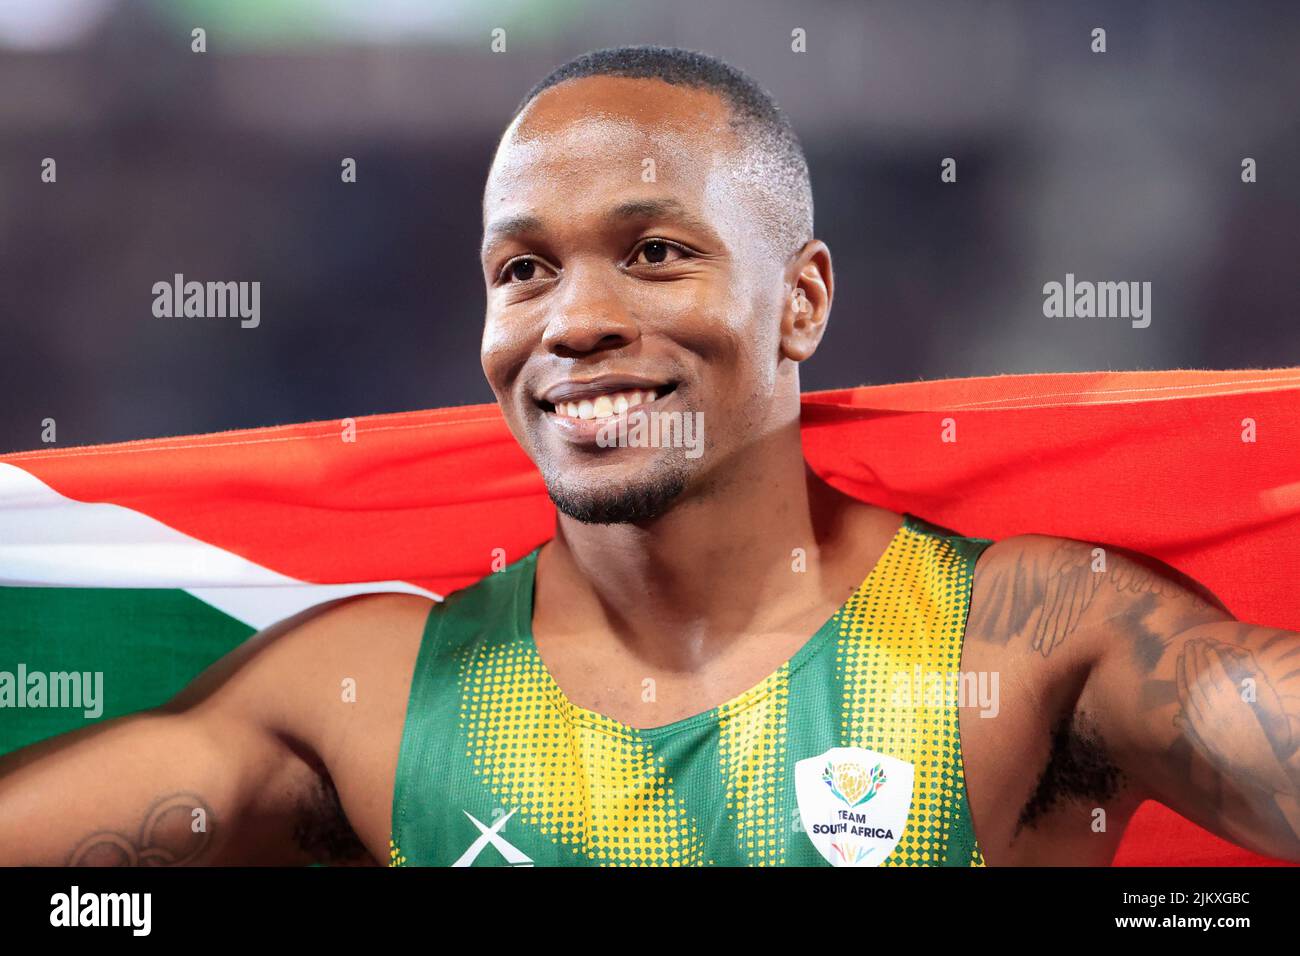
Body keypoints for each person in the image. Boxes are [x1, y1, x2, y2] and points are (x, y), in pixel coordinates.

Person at [2, 45, 1296, 867]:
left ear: (801, 301)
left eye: (656, 251)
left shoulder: (1023, 640)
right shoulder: (371, 700)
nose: (574, 320)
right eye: (524, 272)